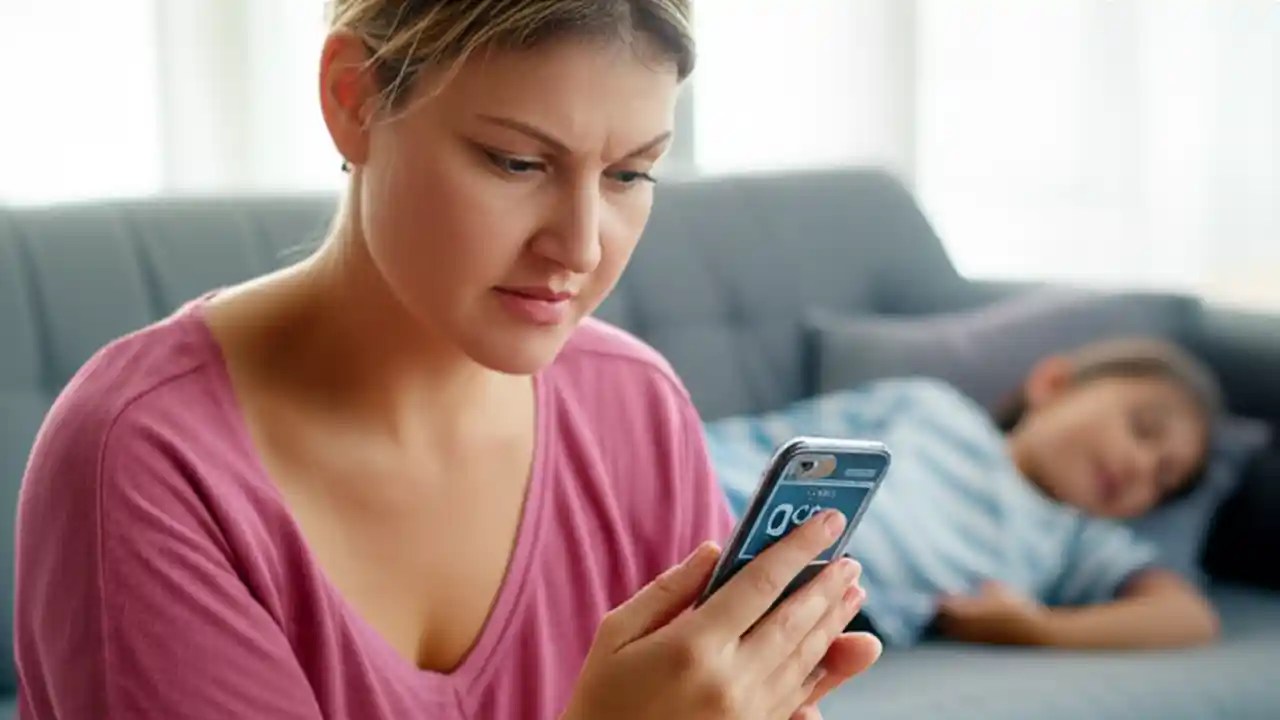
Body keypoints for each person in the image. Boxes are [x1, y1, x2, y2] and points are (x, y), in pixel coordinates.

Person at [13, 2, 881, 718]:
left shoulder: (637, 410)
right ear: (352, 98)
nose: (578, 246)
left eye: (629, 176)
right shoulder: (144, 458)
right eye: (517, 161)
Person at [709, 337, 1224, 650]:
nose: (1141, 469)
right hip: (723, 505)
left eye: (1164, 481)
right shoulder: (931, 408)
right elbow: (767, 441)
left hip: (811, 600)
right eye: (1143, 430)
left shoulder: (1076, 541)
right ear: (1053, 384)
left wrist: (1037, 630)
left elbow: (1187, 616)